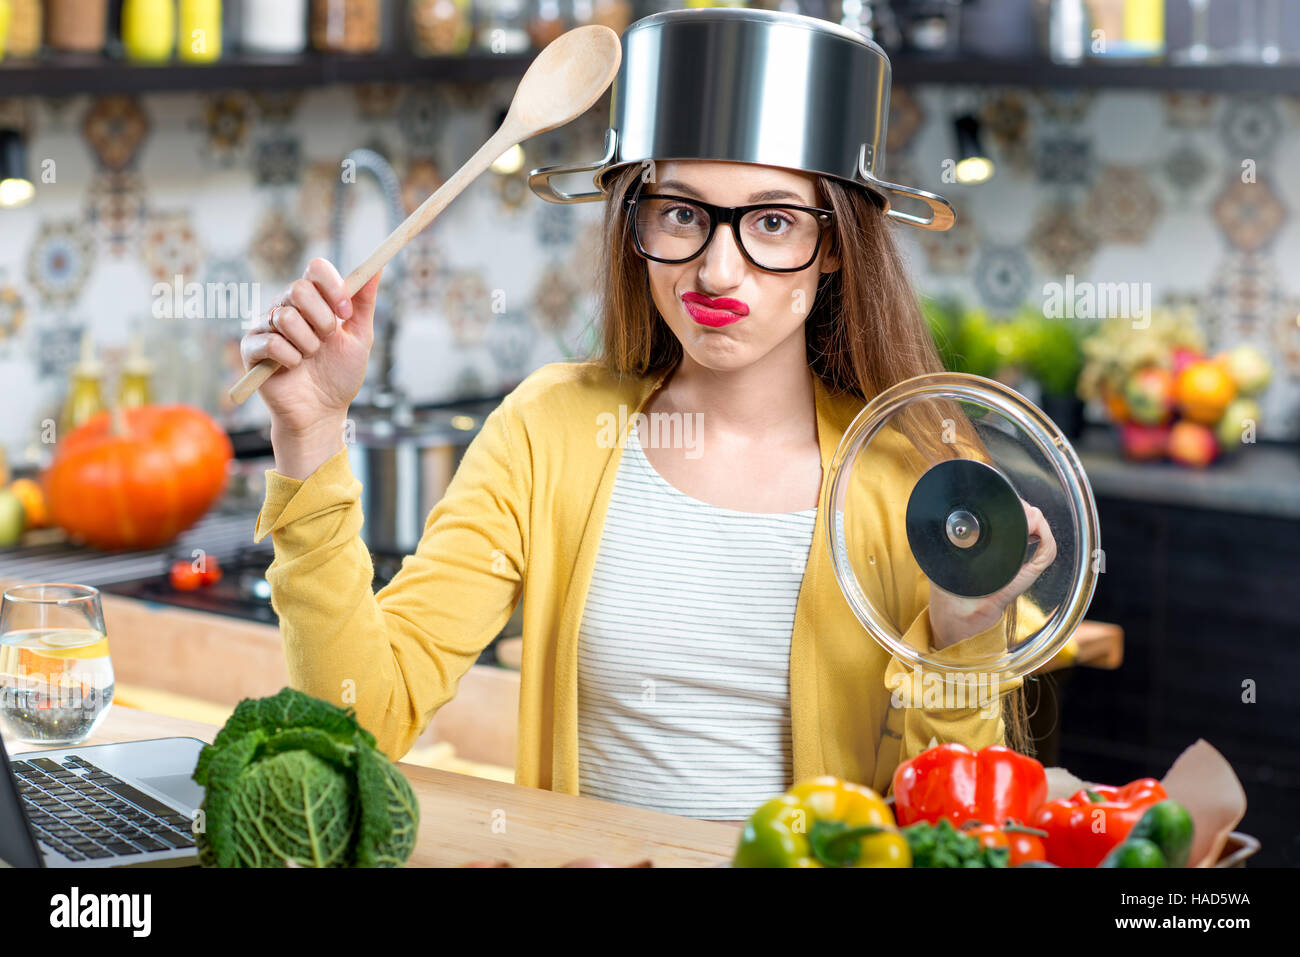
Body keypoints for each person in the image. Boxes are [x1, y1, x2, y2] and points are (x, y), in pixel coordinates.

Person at [240, 14, 1056, 822]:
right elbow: (358, 721)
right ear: (636, 223)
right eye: (680, 212)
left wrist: (960, 636)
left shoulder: (911, 472)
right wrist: (309, 435)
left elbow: (955, 826)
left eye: (772, 221)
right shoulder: (547, 432)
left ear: (836, 241)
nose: (717, 266)